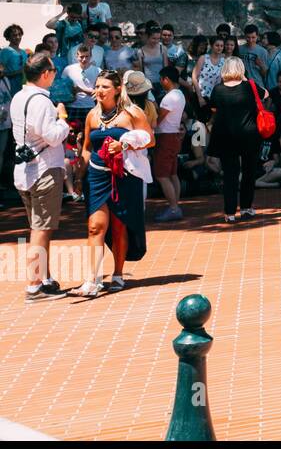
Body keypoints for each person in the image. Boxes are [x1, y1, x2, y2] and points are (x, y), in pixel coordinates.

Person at [77, 68, 154, 295]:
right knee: (95, 227)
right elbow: (86, 149)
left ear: (118, 89)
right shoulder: (92, 115)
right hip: (97, 175)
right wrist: (79, 176)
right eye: (97, 86)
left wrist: (124, 144)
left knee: (119, 226)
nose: (99, 91)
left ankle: (118, 273)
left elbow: (150, 140)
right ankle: (92, 279)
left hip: (124, 176)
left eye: (105, 87)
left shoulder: (132, 112)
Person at [12, 52, 71, 301]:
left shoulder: (19, 96)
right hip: (45, 169)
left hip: (24, 170)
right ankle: (34, 286)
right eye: (53, 70)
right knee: (41, 229)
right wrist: (63, 118)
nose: (55, 74)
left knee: (38, 227)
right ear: (45, 74)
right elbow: (53, 136)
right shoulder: (43, 102)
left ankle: (44, 278)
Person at [207, 56, 267, 223]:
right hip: (249, 135)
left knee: (230, 175)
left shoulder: (218, 89)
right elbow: (265, 94)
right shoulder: (249, 86)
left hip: (226, 136)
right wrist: (246, 80)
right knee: (249, 172)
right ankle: (246, 207)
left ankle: (230, 212)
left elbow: (213, 108)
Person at [152, 66, 187, 223]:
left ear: (166, 79)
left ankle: (173, 208)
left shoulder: (169, 98)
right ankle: (175, 206)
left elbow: (158, 120)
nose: (160, 82)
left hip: (165, 137)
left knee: (161, 175)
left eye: (161, 79)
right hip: (174, 136)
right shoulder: (180, 94)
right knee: (172, 174)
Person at [62, 43, 100, 128]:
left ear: (91, 56)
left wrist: (80, 90)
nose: (84, 59)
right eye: (81, 57)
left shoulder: (98, 71)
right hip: (71, 107)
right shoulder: (68, 70)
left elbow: (98, 93)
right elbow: (63, 89)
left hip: (90, 107)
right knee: (71, 134)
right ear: (76, 56)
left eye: (87, 56)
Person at [191, 33, 226, 112]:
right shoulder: (203, 58)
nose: (219, 48)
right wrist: (199, 97)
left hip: (215, 98)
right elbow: (194, 76)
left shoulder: (224, 61)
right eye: (217, 45)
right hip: (201, 96)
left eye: (221, 46)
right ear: (211, 46)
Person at [2, 24, 27, 93]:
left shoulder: (24, 52)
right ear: (8, 38)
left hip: (24, 88)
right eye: (14, 35)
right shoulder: (5, 51)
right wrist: (18, 72)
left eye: (19, 34)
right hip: (10, 89)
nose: (18, 37)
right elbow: (1, 73)